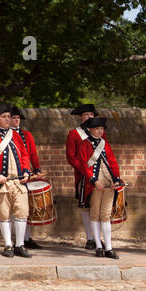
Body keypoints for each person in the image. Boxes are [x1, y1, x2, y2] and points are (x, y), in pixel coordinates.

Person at [0, 102, 32, 257]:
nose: (8, 119)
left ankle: (20, 245)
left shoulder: (15, 135)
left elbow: (24, 155)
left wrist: (26, 171)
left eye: (9, 116)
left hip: (18, 181)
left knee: (22, 212)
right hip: (1, 182)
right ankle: (8, 245)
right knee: (4, 214)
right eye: (4, 116)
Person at [78, 116, 124, 259]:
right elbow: (83, 164)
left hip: (108, 182)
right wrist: (93, 180)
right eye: (97, 129)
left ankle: (109, 248)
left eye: (101, 129)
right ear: (90, 130)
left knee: (105, 215)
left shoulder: (105, 144)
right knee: (95, 214)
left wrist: (116, 178)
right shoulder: (85, 144)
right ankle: (98, 246)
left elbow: (113, 162)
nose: (99, 131)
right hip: (95, 185)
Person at [65, 102, 97, 250]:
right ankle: (90, 238)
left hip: (99, 176)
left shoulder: (99, 132)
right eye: (86, 115)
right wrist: (85, 171)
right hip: (83, 176)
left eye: (91, 114)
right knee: (86, 207)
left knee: (99, 207)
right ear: (80, 117)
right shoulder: (74, 134)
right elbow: (71, 157)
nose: (89, 117)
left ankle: (98, 238)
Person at [10, 106, 43, 249]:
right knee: (12, 206)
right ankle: (15, 238)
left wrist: (37, 168)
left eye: (18, 118)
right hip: (11, 173)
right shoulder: (4, 134)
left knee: (25, 207)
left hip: (25, 173)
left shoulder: (27, 135)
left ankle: (26, 237)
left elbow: (32, 154)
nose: (16, 120)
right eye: (13, 118)